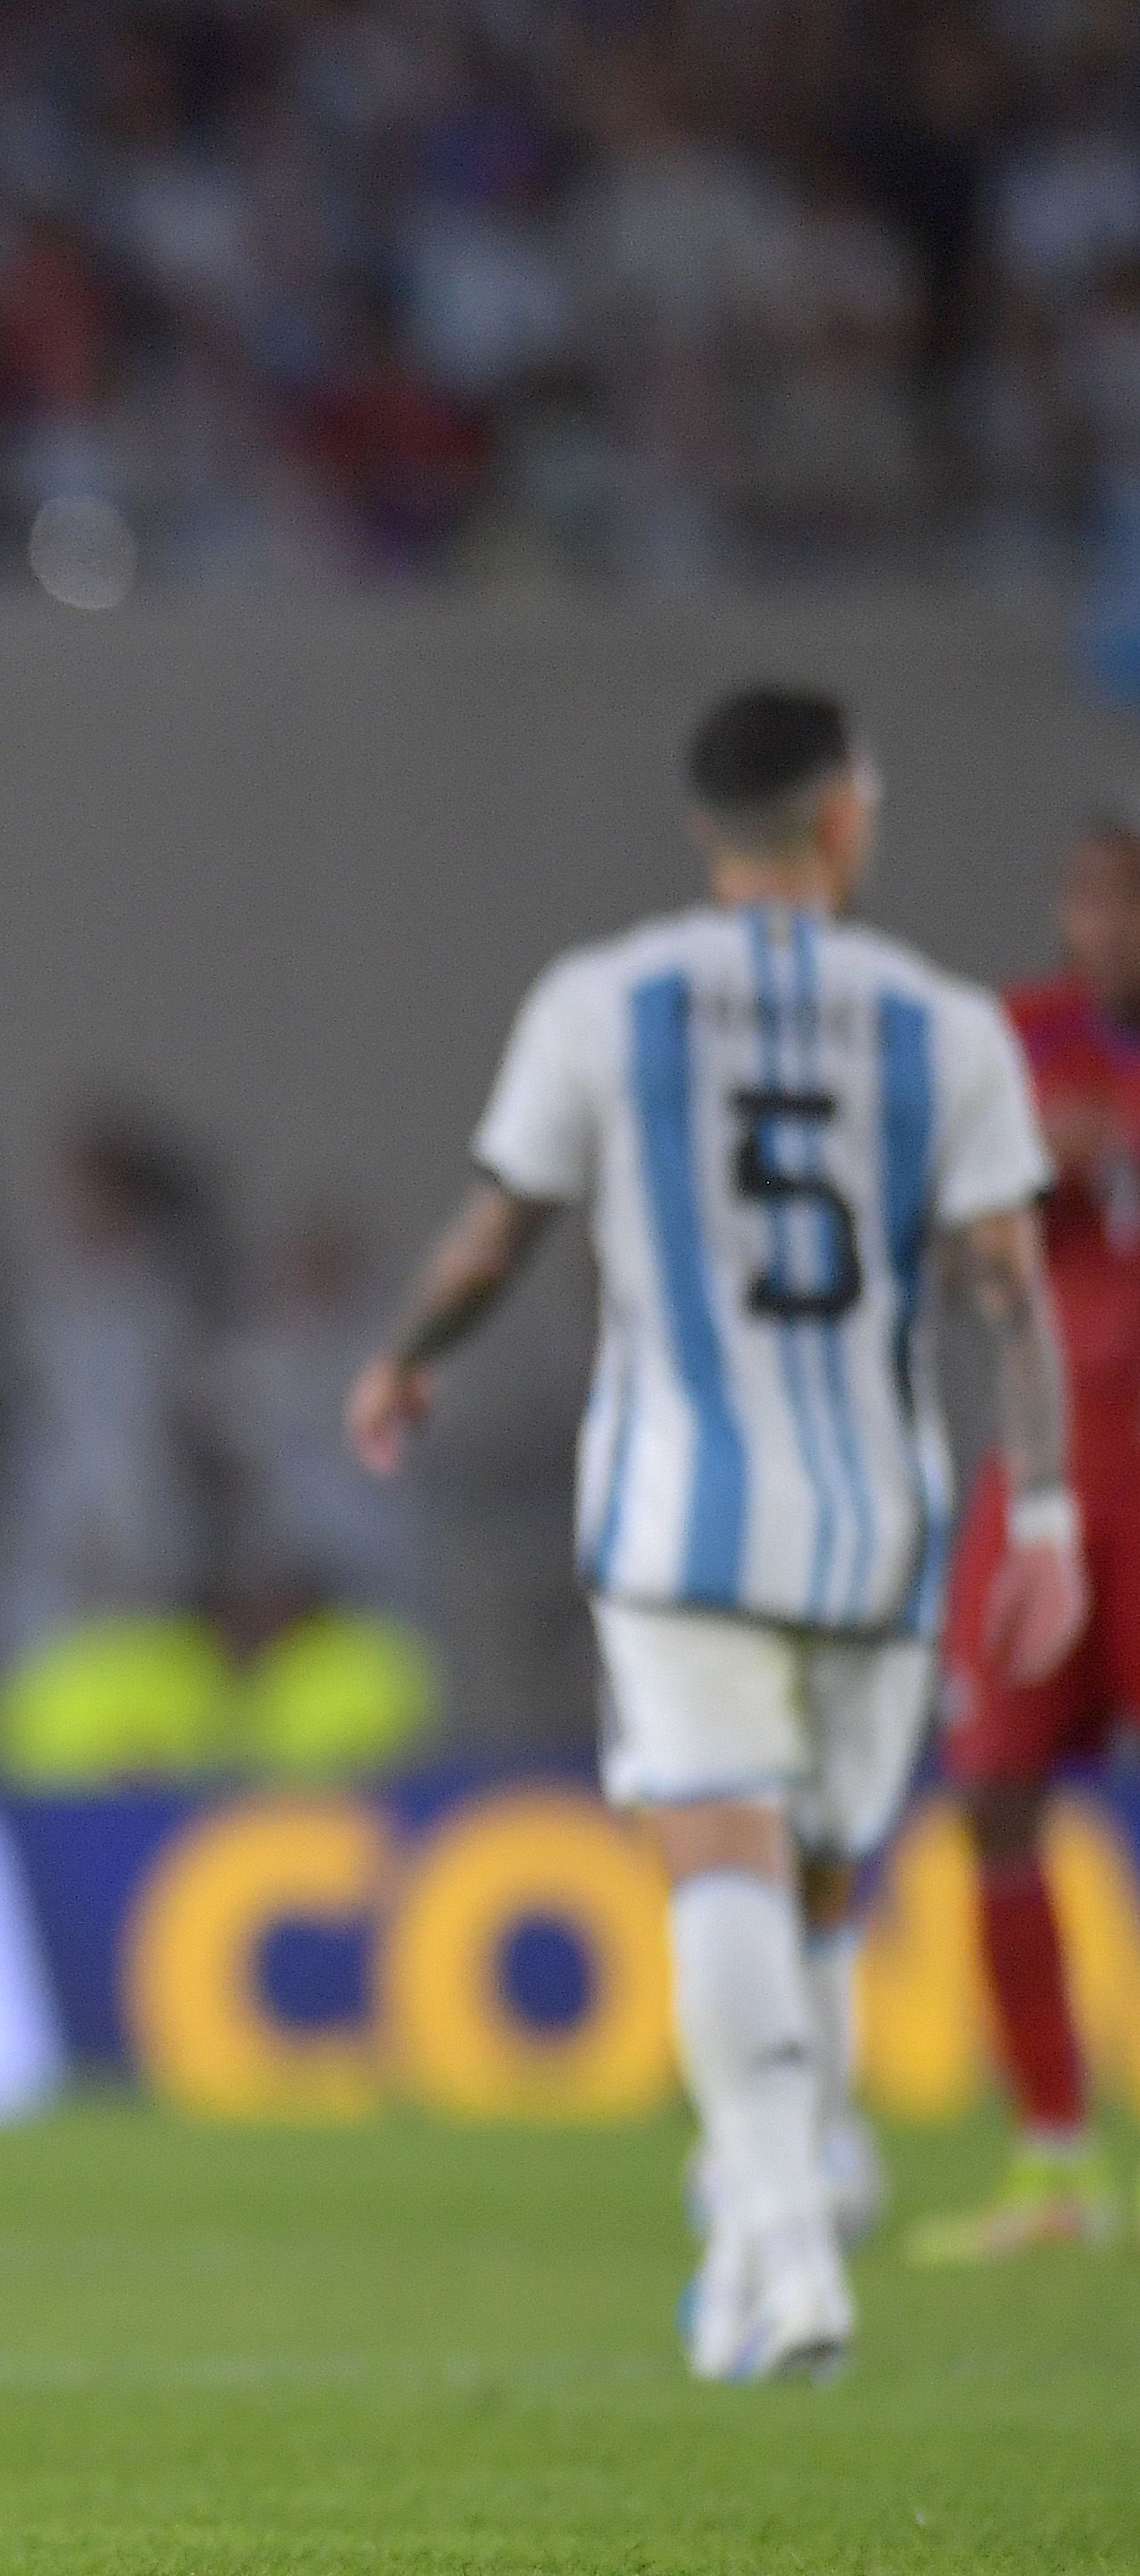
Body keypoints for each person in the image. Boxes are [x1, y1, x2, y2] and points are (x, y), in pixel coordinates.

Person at [349, 685, 1084, 2383]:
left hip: (682, 1510)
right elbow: (1005, 1292)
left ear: (710, 829)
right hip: (875, 1523)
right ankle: (789, 2197)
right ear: (842, 821)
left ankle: (775, 2235)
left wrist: (400, 1362)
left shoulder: (607, 1004)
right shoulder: (945, 1025)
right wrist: (1038, 1508)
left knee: (721, 1871)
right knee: (815, 1885)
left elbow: (489, 1241)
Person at [917, 811, 1140, 2259]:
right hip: (1052, 1470)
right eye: (1087, 901)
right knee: (990, 1788)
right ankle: (1054, 2161)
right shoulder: (1015, 1039)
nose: (1102, 927)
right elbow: (945, 1246)